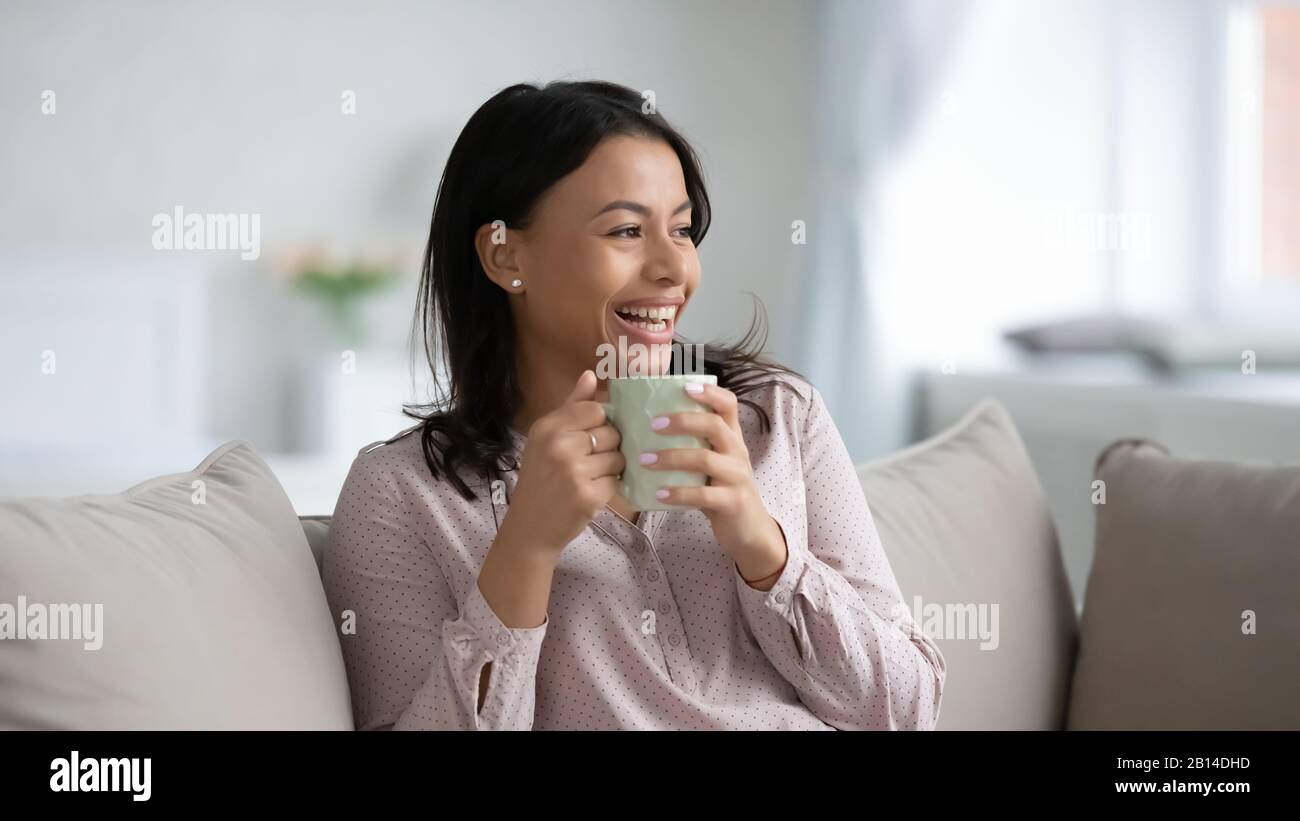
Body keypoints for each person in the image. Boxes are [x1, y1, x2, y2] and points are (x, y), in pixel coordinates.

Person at [322, 80, 946, 730]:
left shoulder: (779, 417)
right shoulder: (400, 496)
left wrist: (765, 549)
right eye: (626, 229)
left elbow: (909, 710)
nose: (674, 269)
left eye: (681, 229)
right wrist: (525, 551)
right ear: (505, 254)